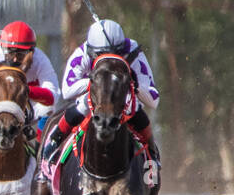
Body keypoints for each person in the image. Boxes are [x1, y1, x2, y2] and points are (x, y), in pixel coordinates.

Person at [42, 18, 160, 159]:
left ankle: (152, 154)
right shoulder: (82, 53)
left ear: (121, 50)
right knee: (83, 105)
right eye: (100, 56)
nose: (108, 63)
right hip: (95, 95)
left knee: (133, 108)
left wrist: (131, 82)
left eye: (115, 56)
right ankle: (55, 141)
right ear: (92, 52)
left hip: (122, 94)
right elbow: (67, 91)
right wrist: (97, 82)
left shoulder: (133, 52)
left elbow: (153, 100)